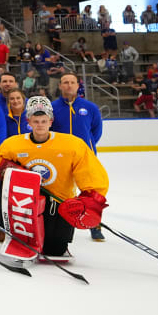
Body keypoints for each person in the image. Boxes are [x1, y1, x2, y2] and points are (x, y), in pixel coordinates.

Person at [0, 96, 109, 262]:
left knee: (55, 249)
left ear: (51, 121)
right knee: (29, 243)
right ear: (29, 121)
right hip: (27, 204)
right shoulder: (12, 144)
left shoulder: (72, 145)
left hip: (61, 204)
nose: (40, 124)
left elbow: (91, 172)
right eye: (36, 120)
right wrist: (23, 176)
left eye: (43, 120)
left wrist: (90, 199)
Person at [50, 72, 105, 241]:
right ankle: (62, 223)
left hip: (85, 158)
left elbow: (96, 131)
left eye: (72, 82)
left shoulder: (90, 107)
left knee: (91, 193)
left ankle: (94, 225)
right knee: (62, 192)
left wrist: (85, 148)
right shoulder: (52, 107)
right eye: (65, 82)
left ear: (77, 85)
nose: (68, 85)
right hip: (60, 159)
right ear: (60, 86)